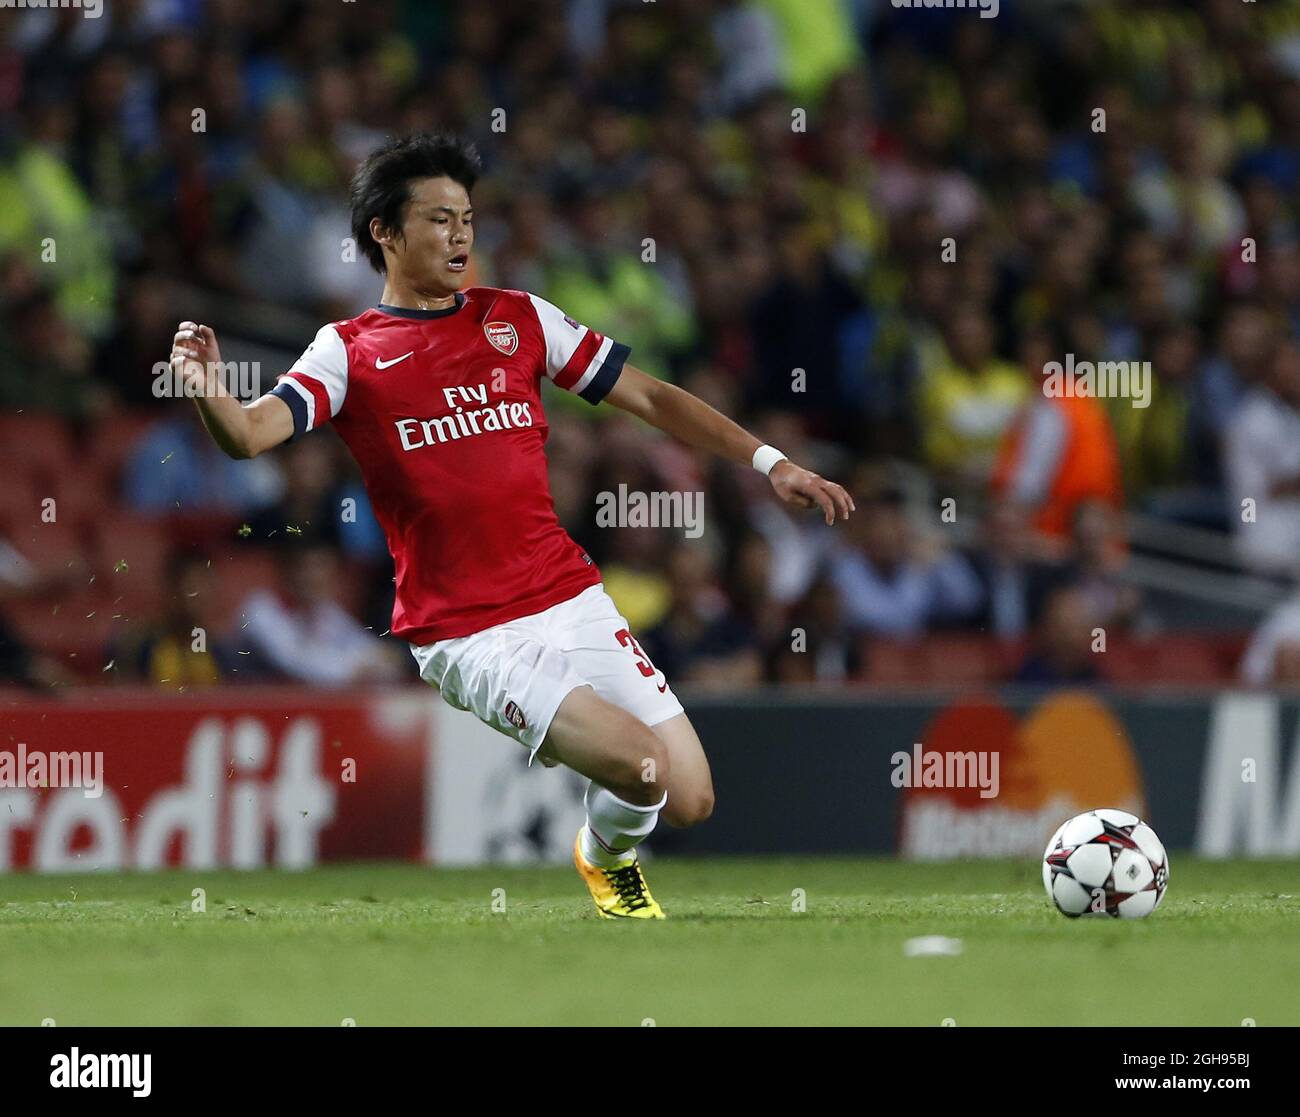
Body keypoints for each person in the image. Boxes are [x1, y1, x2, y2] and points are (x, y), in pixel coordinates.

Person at [169, 134, 853, 920]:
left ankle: (602, 853)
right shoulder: (348, 352)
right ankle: (613, 874)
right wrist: (210, 390)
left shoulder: (518, 319)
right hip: (468, 628)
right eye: (437, 219)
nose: (460, 235)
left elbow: (656, 399)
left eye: (466, 218)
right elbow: (251, 434)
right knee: (642, 764)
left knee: (690, 794)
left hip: (567, 593)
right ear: (386, 234)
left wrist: (773, 463)